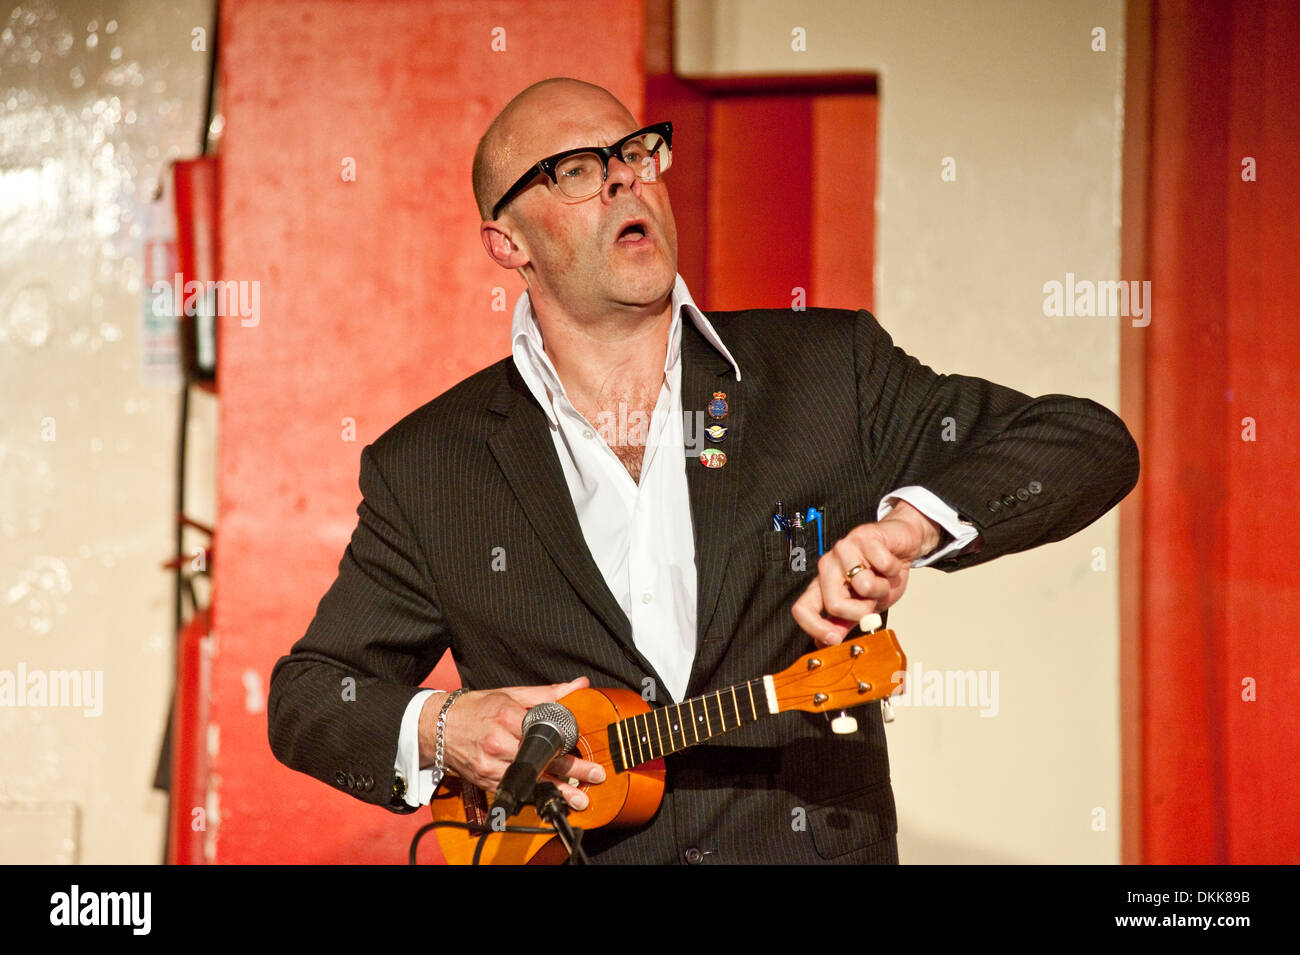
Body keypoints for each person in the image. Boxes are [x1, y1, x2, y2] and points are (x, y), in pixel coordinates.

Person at [267, 77, 1140, 864]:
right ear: (508, 244)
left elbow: (1085, 441)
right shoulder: (432, 465)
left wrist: (909, 527)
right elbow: (309, 696)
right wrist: (445, 726)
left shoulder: (826, 370)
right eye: (575, 169)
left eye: (636, 152)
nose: (623, 179)